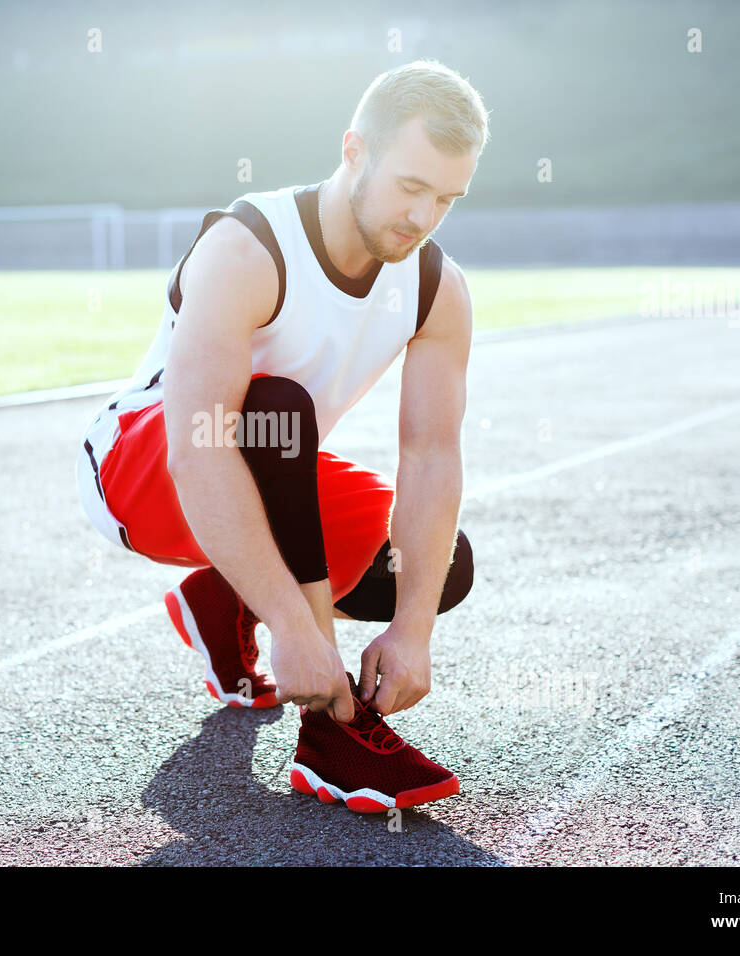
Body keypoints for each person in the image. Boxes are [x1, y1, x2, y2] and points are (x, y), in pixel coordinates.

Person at [76, 59, 488, 812]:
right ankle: (330, 731)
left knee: (435, 567)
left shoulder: (437, 287)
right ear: (355, 150)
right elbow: (198, 441)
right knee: (276, 409)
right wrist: (297, 628)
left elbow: (431, 456)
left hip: (270, 469)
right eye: (410, 187)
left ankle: (219, 596)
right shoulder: (250, 246)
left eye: (446, 199)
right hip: (141, 468)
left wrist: (413, 631)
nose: (423, 217)